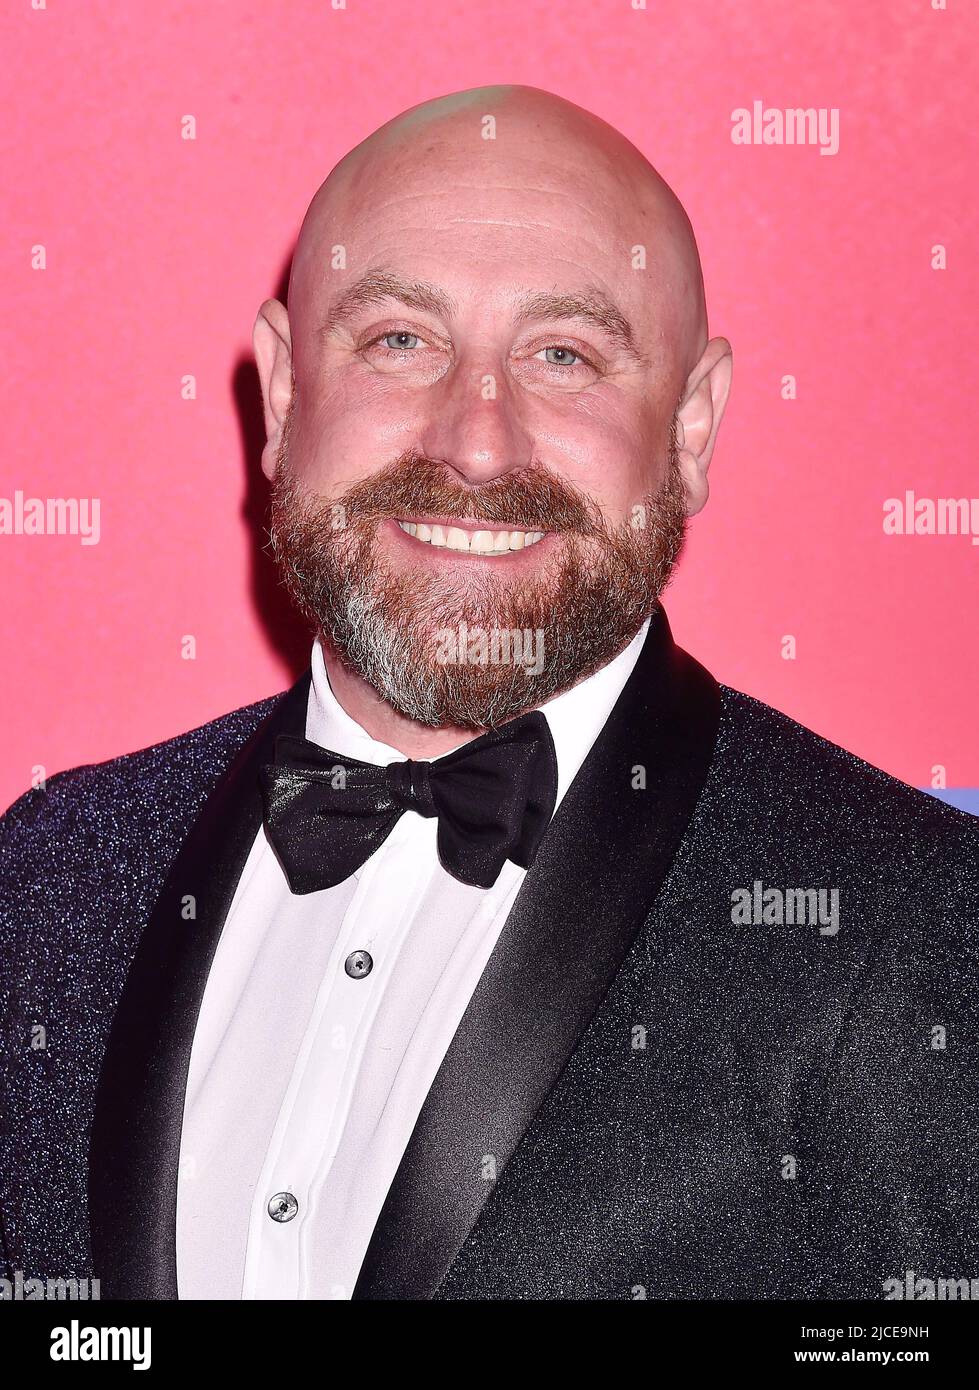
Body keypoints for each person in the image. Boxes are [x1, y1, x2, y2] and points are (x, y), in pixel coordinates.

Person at [1, 85, 976, 1302]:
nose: (476, 442)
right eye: (400, 338)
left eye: (562, 355)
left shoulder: (914, 923)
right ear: (285, 395)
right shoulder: (47, 874)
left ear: (689, 428)